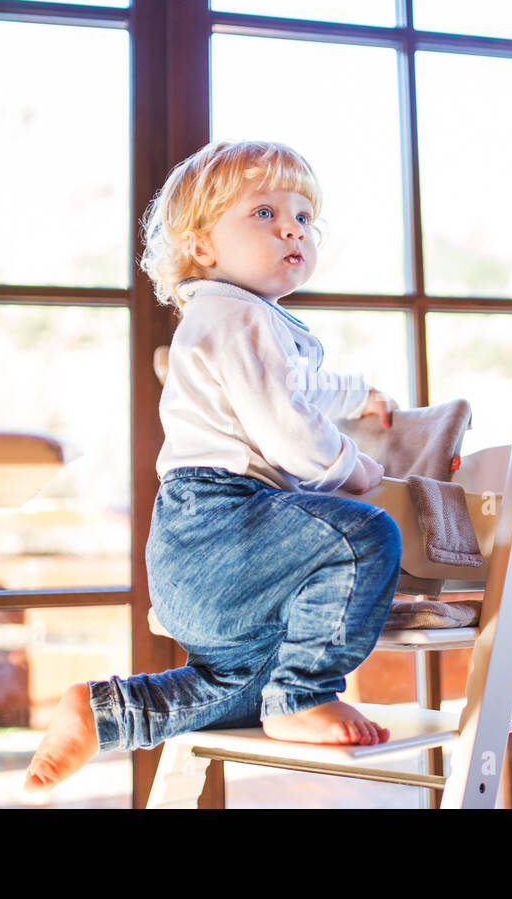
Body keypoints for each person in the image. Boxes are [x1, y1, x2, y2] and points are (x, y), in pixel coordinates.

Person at [24, 140, 404, 794]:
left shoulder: (244, 321)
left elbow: (297, 385)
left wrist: (356, 395)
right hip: (224, 526)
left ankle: (105, 713)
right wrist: (352, 465)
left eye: (303, 216)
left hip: (201, 558)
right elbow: (289, 428)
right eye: (264, 212)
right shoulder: (235, 317)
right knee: (365, 534)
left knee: (243, 686)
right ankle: (306, 694)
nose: (292, 227)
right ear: (202, 246)